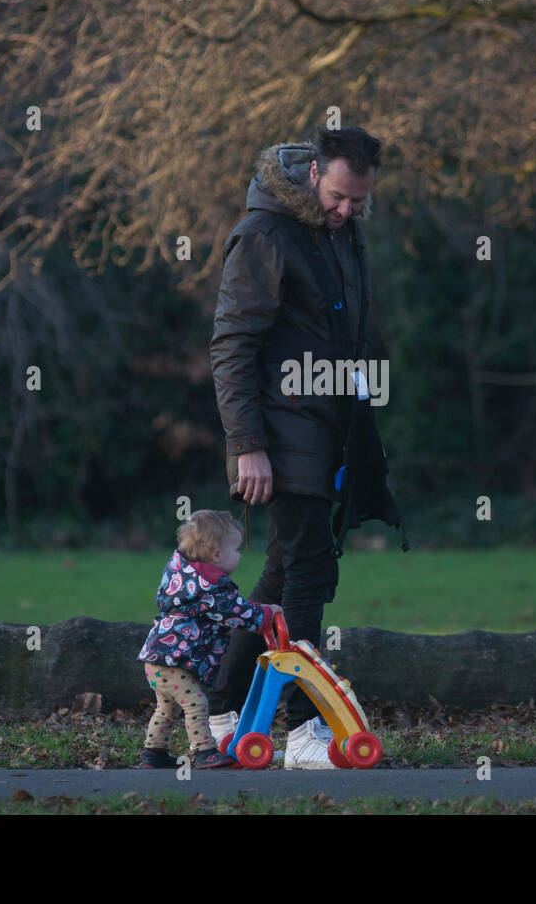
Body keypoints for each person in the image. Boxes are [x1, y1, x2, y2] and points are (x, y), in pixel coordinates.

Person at [207, 125, 385, 768]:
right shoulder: (263, 235)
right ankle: (305, 731)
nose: (346, 211)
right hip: (281, 434)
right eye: (339, 196)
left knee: (284, 573)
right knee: (308, 571)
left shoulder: (339, 230)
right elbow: (232, 345)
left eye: (358, 202)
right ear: (313, 172)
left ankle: (223, 706)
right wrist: (246, 444)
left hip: (329, 427)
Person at [135, 509, 281, 769]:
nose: (239, 556)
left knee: (167, 708)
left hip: (158, 659)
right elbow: (236, 612)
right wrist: (267, 614)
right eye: (236, 550)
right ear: (216, 555)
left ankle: (153, 753)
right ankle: (204, 751)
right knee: (196, 702)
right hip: (170, 662)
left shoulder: (186, 579)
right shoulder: (209, 590)